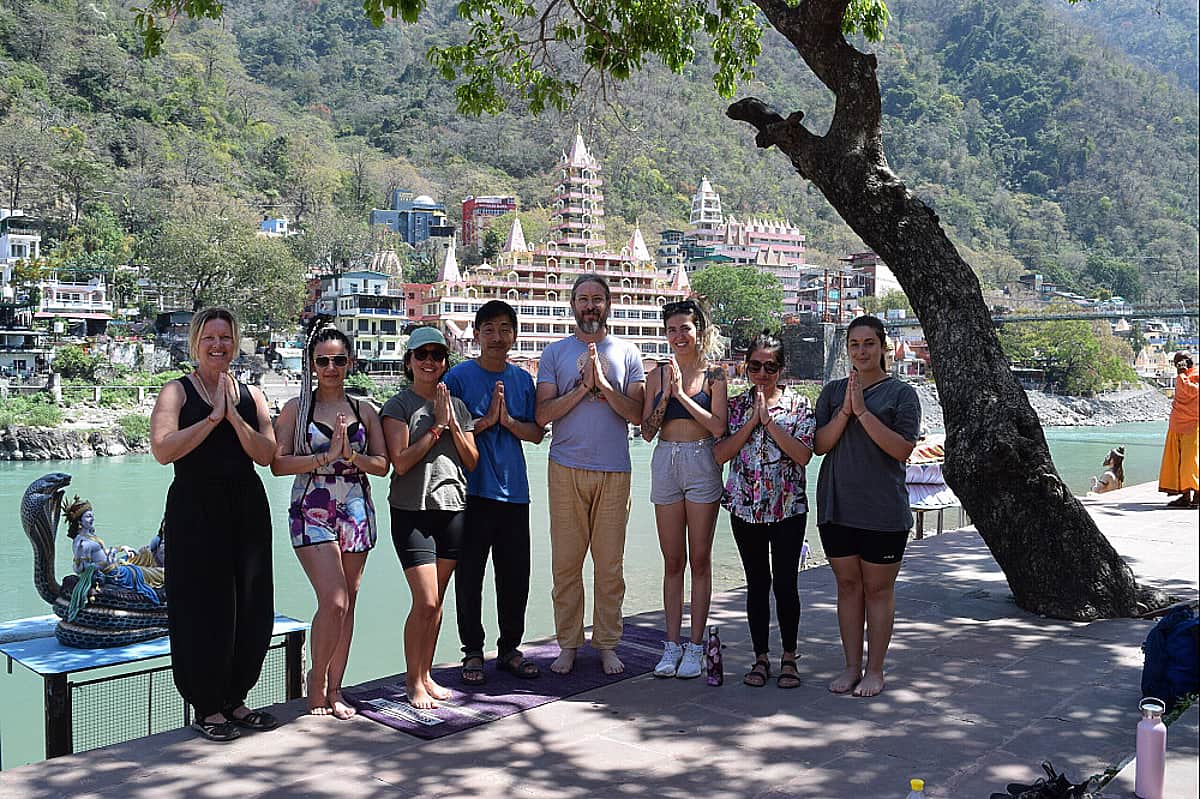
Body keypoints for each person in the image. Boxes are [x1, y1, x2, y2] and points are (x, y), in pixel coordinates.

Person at [149, 306, 278, 742]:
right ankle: (207, 705)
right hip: (194, 508)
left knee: (251, 604)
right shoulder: (177, 392)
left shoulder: (252, 395)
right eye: (209, 338)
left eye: (225, 337)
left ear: (235, 342)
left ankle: (235, 698)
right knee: (202, 608)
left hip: (246, 507)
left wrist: (233, 417)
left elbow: (266, 454)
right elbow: (164, 450)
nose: (218, 345)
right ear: (196, 343)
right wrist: (210, 419)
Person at [271, 316, 389, 719]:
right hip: (312, 505)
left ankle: (336, 687)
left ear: (349, 363)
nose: (331, 369)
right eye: (323, 362)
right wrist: (325, 456)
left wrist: (351, 456)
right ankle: (316, 680)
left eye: (338, 361)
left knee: (349, 602)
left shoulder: (364, 409)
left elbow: (382, 464)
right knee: (334, 600)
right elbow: (278, 463)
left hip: (355, 506)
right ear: (311, 365)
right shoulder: (295, 409)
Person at [535, 273, 645, 675]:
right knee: (566, 564)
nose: (590, 306)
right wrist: (582, 389)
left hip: (614, 470)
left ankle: (607, 642)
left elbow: (637, 415)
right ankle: (568, 643)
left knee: (609, 565)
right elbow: (542, 414)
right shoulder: (555, 353)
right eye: (583, 299)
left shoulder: (628, 353)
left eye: (597, 299)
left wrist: (602, 383)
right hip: (565, 467)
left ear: (609, 304)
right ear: (572, 305)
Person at [814, 315, 920, 698]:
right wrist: (845, 410)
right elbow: (820, 445)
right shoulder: (832, 393)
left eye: (869, 343)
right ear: (847, 350)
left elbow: (902, 449)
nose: (861, 351)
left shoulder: (901, 395)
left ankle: (875, 669)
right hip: (837, 505)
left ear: (883, 346)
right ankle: (850, 666)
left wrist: (862, 412)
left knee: (877, 590)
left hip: (882, 510)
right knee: (847, 586)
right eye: (854, 344)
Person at [445, 301, 545, 685]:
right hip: (470, 493)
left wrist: (508, 422)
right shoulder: (458, 378)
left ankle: (509, 649)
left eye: (505, 329)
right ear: (476, 334)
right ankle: (472, 651)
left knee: (515, 576)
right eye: (489, 329)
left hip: (514, 493)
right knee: (469, 576)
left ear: (514, 336)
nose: (497, 337)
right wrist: (486, 422)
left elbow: (536, 434)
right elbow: (449, 434)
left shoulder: (522, 380)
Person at [381, 327, 478, 708]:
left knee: (437, 604)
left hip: (451, 506)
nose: (429, 362)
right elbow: (401, 462)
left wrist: (453, 422)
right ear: (409, 362)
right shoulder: (398, 406)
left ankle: (426, 674)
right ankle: (412, 682)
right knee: (424, 600)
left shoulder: (458, 406)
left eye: (437, 355)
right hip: (412, 512)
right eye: (421, 355)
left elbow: (471, 460)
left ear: (444, 363)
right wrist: (436, 425)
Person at [713, 330, 815, 690]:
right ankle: (760, 657)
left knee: (786, 583)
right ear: (746, 366)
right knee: (757, 583)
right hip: (746, 507)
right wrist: (752, 422)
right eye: (754, 365)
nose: (761, 373)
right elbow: (720, 454)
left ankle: (789, 656)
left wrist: (769, 423)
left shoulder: (799, 406)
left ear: (781, 369)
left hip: (787, 506)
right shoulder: (737, 406)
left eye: (769, 367)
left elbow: (804, 455)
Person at [641, 299, 728, 679]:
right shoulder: (657, 375)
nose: (679, 336)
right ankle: (671, 645)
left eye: (685, 329)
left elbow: (718, 427)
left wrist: (682, 396)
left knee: (701, 559)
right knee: (672, 560)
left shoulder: (716, 375)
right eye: (672, 329)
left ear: (700, 331)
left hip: (701, 460)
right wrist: (665, 394)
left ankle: (695, 647)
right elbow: (646, 430)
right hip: (666, 460)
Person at [64, 496, 164, 604]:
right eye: (88, 517)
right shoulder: (82, 544)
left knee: (144, 554)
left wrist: (121, 548)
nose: (92, 519)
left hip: (116, 565)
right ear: (79, 521)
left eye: (92, 516)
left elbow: (100, 553)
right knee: (157, 574)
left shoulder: (89, 536)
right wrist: (101, 564)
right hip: (117, 575)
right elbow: (79, 569)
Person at [1159, 351, 1199, 509]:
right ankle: (1184, 496)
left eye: (1182, 362)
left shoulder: (1195, 374)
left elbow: (1193, 392)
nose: (1180, 365)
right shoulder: (1182, 376)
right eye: (1177, 363)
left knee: (1191, 462)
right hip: (1177, 425)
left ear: (1189, 361)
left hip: (1192, 425)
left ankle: (1196, 494)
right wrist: (1181, 376)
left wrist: (1182, 375)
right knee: (1179, 461)